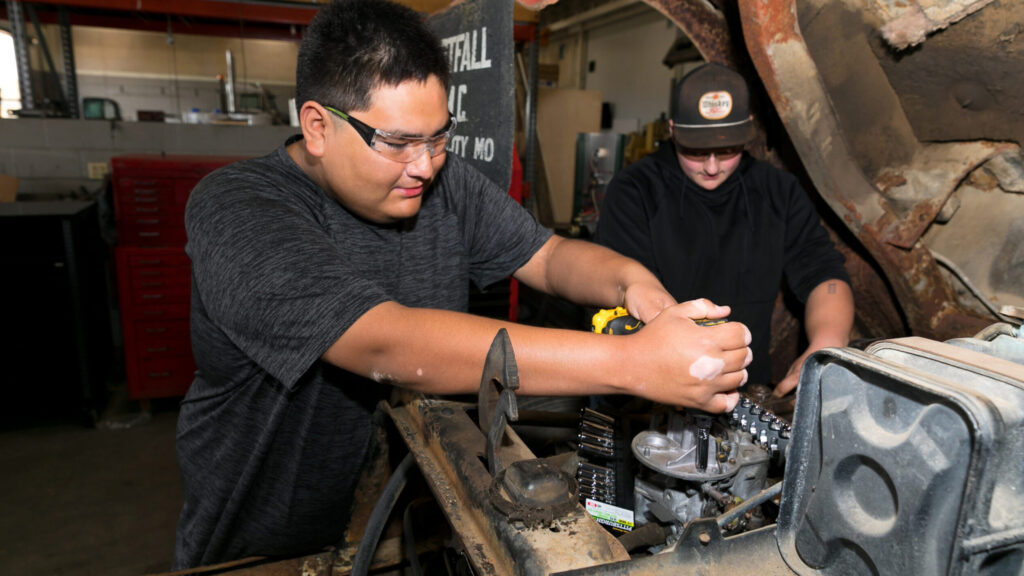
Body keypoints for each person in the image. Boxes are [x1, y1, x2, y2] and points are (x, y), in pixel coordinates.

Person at [172, 1, 752, 569]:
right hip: (271, 548)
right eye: (397, 143)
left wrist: (633, 285)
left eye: (438, 137)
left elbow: (548, 257)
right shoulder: (239, 208)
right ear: (318, 126)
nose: (424, 165)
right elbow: (386, 344)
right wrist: (631, 363)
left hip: (422, 522)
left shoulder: (444, 184)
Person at [596, 62, 854, 398]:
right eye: (697, 151)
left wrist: (825, 349)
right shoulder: (635, 191)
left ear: (748, 132)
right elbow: (616, 289)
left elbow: (824, 273)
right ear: (672, 130)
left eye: (728, 150)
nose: (712, 167)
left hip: (742, 389)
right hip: (648, 388)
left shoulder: (778, 191)